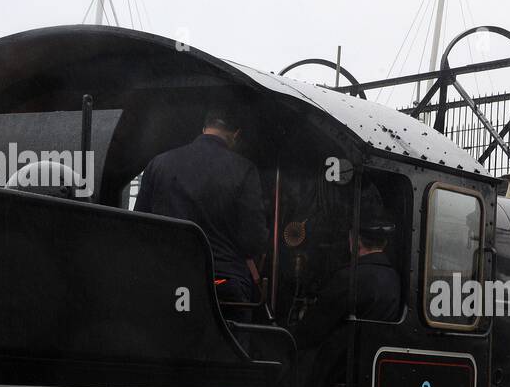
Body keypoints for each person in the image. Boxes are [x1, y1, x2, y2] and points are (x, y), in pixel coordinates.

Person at [135, 108, 271, 307]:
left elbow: (140, 226)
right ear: (236, 134)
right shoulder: (244, 170)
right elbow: (253, 240)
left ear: (204, 128)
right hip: (220, 281)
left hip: (165, 279)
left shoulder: (159, 164)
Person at [293, 189, 401, 347]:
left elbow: (311, 330)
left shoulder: (348, 278)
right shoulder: (394, 278)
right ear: (384, 243)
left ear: (355, 241)